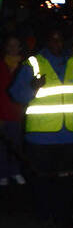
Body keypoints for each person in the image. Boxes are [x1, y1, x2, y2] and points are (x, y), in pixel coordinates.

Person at [9, 24, 73, 224]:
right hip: (41, 137)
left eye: (60, 39)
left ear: (66, 41)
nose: (57, 43)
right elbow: (15, 94)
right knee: (42, 179)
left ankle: (62, 216)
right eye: (52, 39)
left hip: (71, 136)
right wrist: (32, 88)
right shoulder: (33, 64)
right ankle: (44, 215)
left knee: (67, 180)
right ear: (46, 41)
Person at [0, 33, 26, 185]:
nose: (13, 48)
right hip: (2, 112)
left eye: (16, 45)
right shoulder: (1, 65)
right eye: (10, 45)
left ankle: (15, 171)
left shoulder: (25, 66)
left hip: (18, 113)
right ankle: (3, 173)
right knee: (2, 145)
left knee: (16, 145)